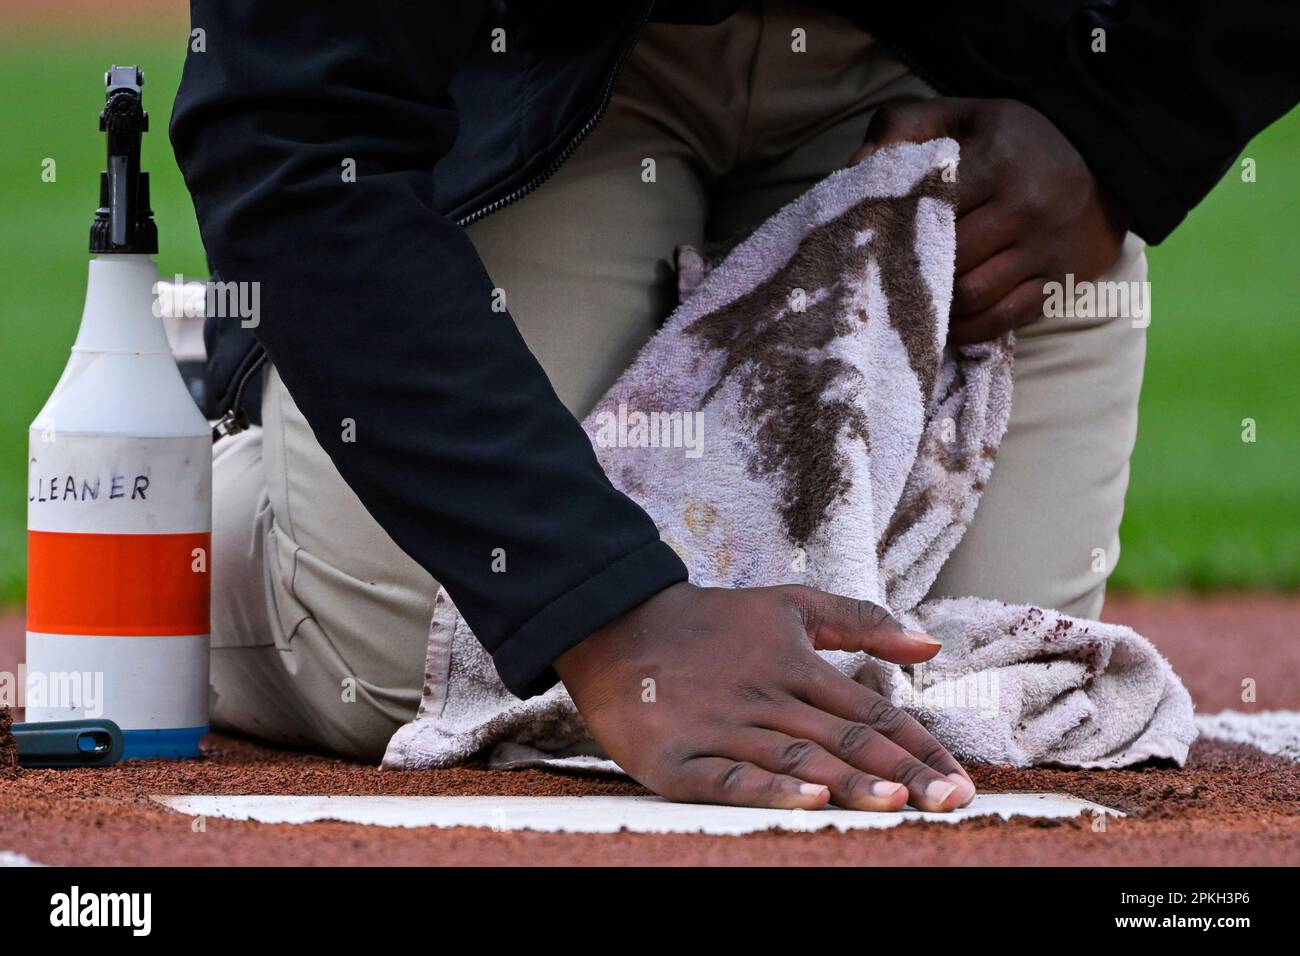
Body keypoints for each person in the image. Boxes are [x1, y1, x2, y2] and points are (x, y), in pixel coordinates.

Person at [170, 1, 1298, 810]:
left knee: (988, 692)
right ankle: (167, 487)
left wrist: (1117, 129)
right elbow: (292, 125)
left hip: (944, 78)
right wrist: (609, 622)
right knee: (425, 664)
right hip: (534, 66)